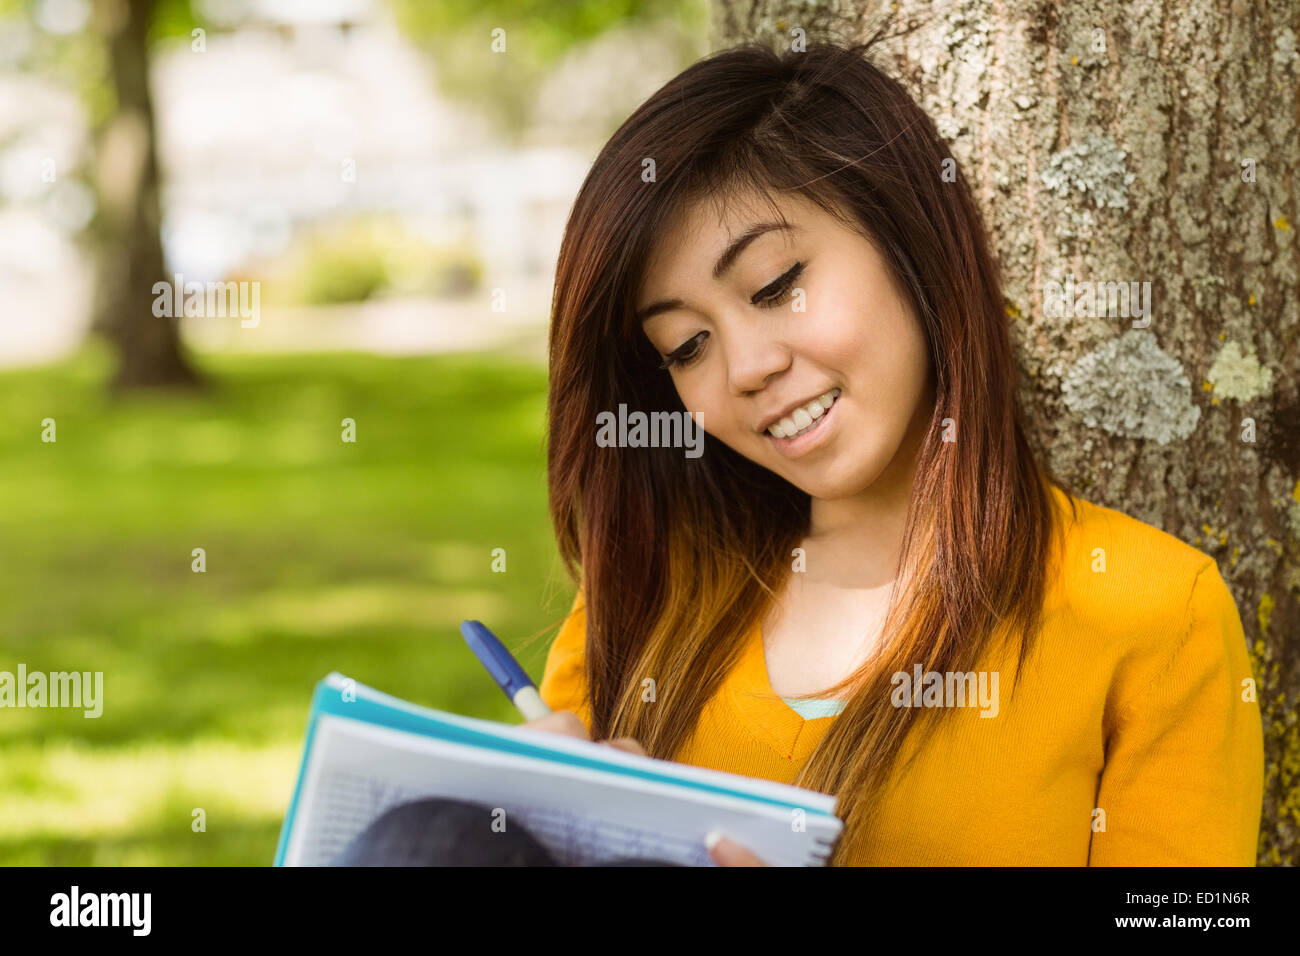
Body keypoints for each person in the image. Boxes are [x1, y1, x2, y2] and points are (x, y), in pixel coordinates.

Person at [530, 38, 1264, 866]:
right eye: (686, 345)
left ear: (908, 238)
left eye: (777, 287)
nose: (746, 368)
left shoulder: (1157, 616)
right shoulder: (641, 590)